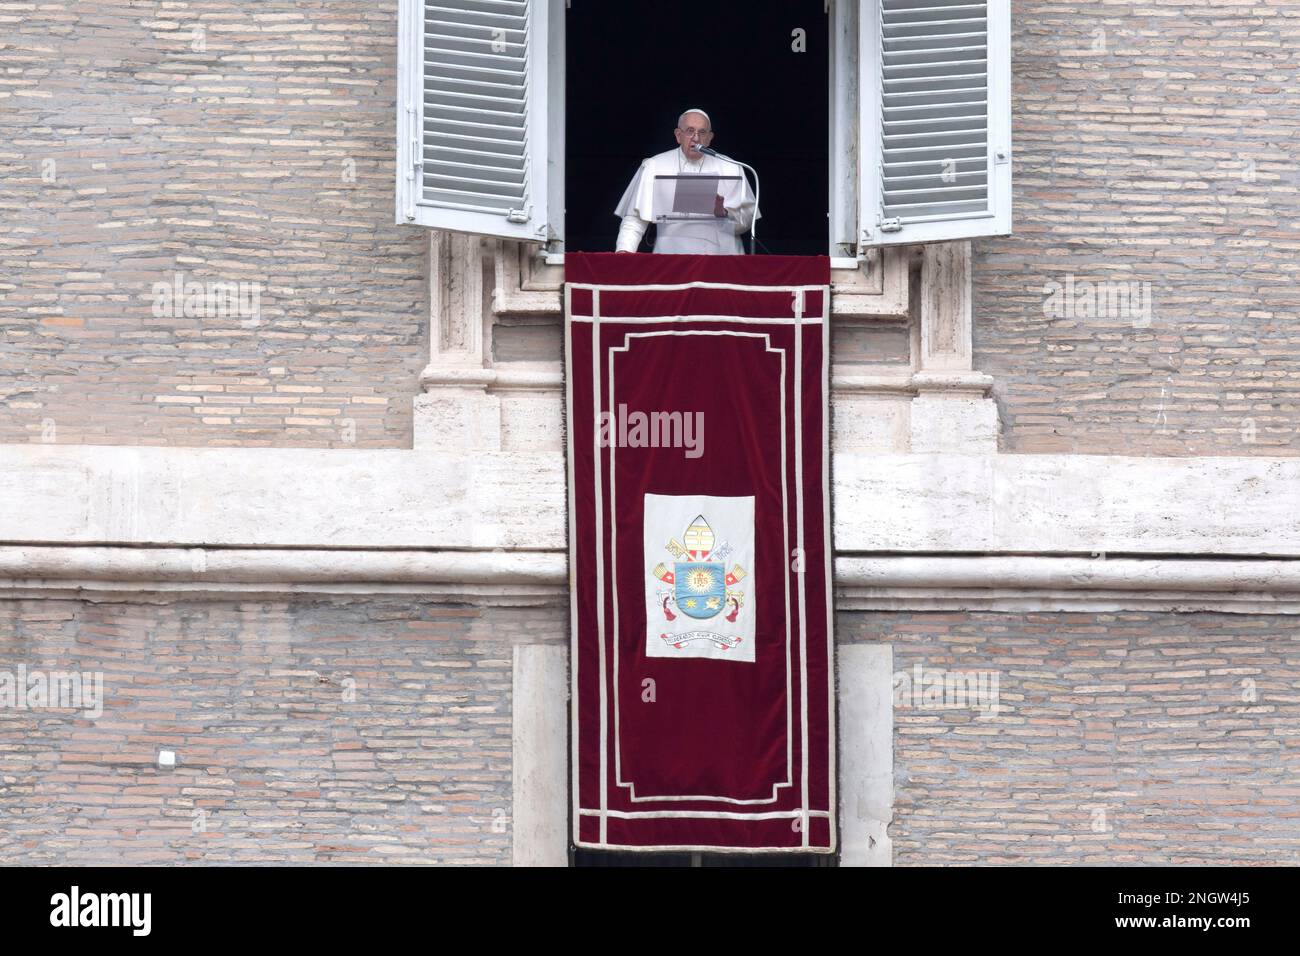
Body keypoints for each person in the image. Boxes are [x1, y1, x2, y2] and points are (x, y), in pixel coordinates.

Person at [614, 108, 758, 254]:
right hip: (671, 260)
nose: (696, 138)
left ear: (709, 138)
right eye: (690, 131)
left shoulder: (731, 167)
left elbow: (746, 222)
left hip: (721, 258)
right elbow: (635, 219)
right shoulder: (654, 165)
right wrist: (624, 251)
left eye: (702, 132)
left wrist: (722, 212)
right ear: (678, 135)